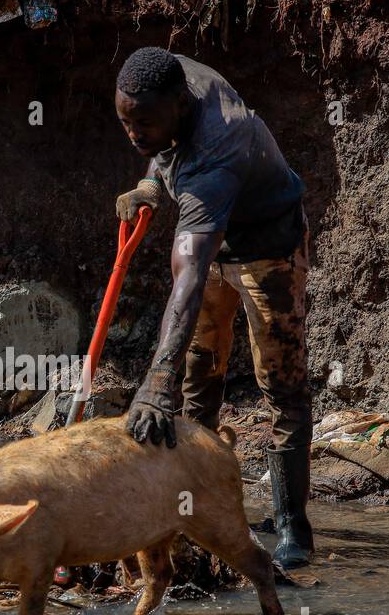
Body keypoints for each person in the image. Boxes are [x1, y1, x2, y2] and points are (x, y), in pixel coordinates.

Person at [113, 47, 314, 569]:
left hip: (266, 247)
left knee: (281, 382)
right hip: (211, 241)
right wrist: (152, 182)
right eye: (126, 121)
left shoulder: (215, 153)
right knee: (200, 380)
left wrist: (157, 375)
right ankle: (194, 507)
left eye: (145, 124)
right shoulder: (166, 76)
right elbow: (163, 141)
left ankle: (293, 523)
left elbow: (188, 276)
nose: (134, 134)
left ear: (181, 104)